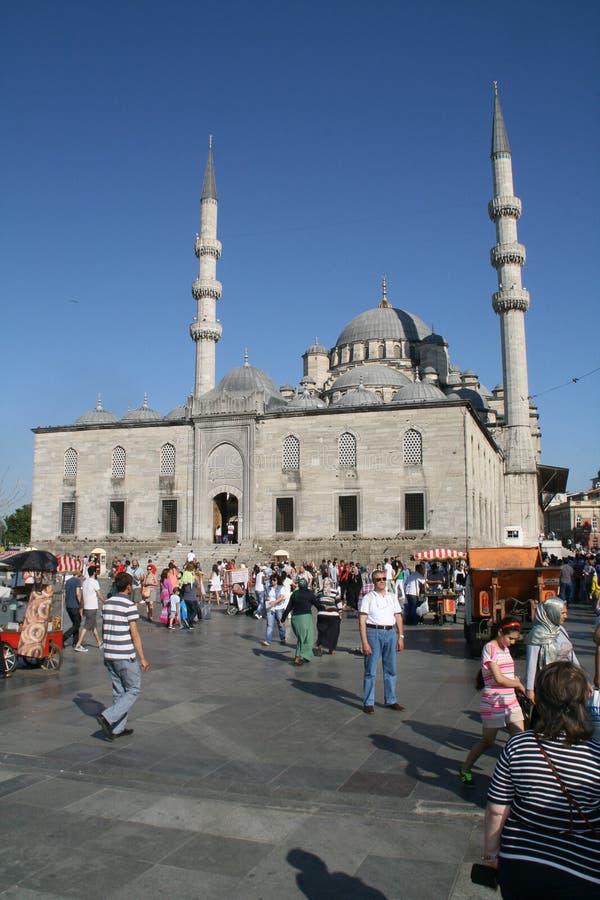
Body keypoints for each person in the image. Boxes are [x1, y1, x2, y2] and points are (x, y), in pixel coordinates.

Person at [482, 661, 600, 899]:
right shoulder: (595, 756)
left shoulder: (518, 745)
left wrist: (491, 855)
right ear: (582, 703)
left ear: (541, 702)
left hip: (521, 865)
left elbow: (497, 810)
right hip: (582, 871)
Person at [460, 618, 525, 785]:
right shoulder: (490, 648)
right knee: (488, 741)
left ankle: (516, 776)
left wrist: (516, 682)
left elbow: (507, 674)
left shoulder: (505, 648)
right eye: (510, 638)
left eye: (515, 640)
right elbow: (498, 678)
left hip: (510, 701)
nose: (512, 642)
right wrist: (517, 684)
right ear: (500, 632)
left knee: (519, 739)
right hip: (493, 702)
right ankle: (465, 768)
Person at [96, 571, 150, 740]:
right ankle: (108, 716)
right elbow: (135, 634)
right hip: (124, 654)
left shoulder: (107, 604)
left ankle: (117, 729)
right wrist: (142, 657)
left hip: (109, 653)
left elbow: (104, 628)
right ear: (128, 587)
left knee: (119, 691)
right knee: (133, 689)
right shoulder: (129, 605)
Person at [358, 568, 405, 713]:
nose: (382, 581)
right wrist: (364, 642)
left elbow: (398, 616)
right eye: (378, 579)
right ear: (373, 582)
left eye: (384, 579)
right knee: (370, 669)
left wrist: (401, 636)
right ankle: (368, 702)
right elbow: (362, 621)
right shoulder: (368, 598)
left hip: (390, 632)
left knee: (391, 668)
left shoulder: (392, 597)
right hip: (374, 632)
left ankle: (391, 699)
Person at [525, 597, 579, 704]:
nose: (566, 616)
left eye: (566, 613)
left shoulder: (561, 630)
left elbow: (571, 656)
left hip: (566, 683)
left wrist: (583, 679)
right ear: (552, 612)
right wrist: (529, 689)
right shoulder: (537, 634)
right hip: (547, 685)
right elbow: (531, 664)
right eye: (562, 613)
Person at [281, 577, 323, 665]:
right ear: (306, 585)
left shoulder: (295, 594)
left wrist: (282, 619)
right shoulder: (310, 594)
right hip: (305, 618)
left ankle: (304, 656)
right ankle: (300, 657)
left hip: (295, 619)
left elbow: (288, 607)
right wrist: (324, 611)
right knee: (308, 638)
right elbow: (318, 605)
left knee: (301, 638)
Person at [74, 565, 104, 652]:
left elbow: (82, 596)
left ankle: (99, 642)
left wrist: (81, 607)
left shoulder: (84, 582)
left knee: (93, 625)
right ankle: (78, 644)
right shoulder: (94, 582)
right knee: (87, 626)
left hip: (86, 607)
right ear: (94, 573)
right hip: (92, 607)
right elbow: (99, 594)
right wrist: (105, 602)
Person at [315, 576, 342, 655]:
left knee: (322, 631)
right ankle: (331, 649)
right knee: (334, 632)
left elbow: (317, 603)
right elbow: (338, 602)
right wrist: (340, 612)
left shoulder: (319, 592)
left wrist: (321, 608)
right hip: (333, 615)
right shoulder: (335, 592)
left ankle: (320, 645)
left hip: (322, 615)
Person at [261, 573, 287, 647]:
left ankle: (282, 637)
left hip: (279, 608)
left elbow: (282, 597)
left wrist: (274, 602)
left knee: (280, 623)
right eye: (271, 580)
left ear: (277, 580)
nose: (272, 581)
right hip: (270, 608)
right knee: (269, 624)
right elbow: (266, 597)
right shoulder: (268, 588)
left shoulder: (281, 587)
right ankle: (268, 640)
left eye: (274, 580)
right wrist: (267, 601)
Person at [63, 569, 83, 647]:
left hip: (68, 606)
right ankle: (64, 637)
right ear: (78, 575)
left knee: (75, 623)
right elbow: (78, 593)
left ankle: (75, 642)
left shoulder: (67, 581)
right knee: (77, 625)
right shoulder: (77, 581)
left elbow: (65, 594)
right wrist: (80, 604)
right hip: (75, 605)